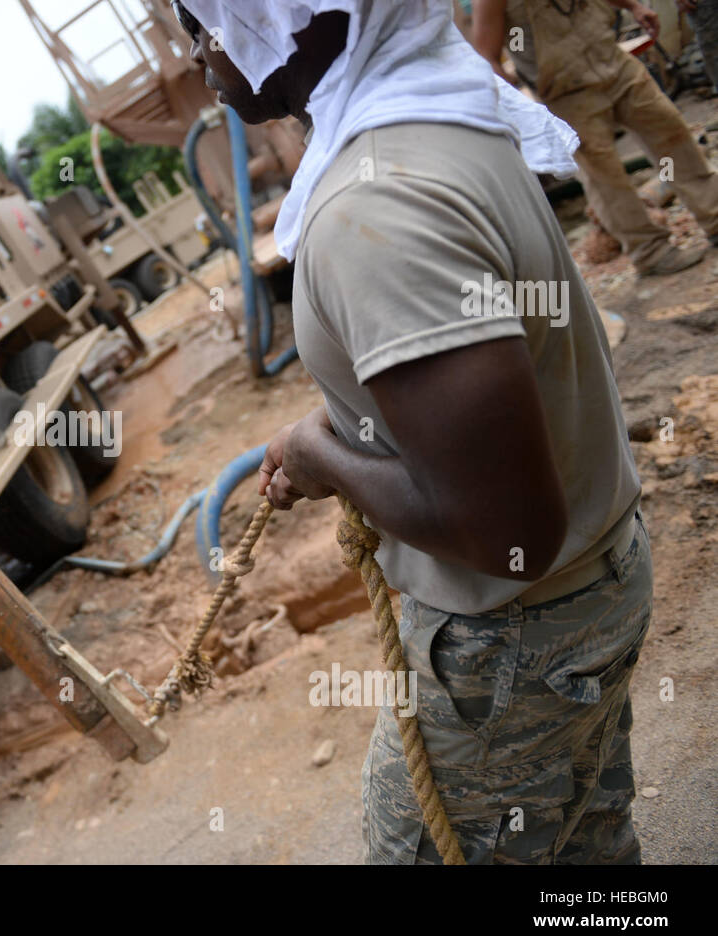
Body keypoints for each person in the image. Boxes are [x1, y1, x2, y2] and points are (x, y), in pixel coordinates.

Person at [174, 0, 651, 863]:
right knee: (586, 844)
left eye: (204, 14)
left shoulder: (374, 211)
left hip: (516, 642)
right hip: (594, 581)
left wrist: (325, 456)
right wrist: (341, 425)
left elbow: (510, 534)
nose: (196, 48)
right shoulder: (436, 111)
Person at [474, 0, 718, 275]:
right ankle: (651, 251)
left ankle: (714, 214)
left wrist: (634, 7)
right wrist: (515, 102)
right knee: (604, 176)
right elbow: (487, 54)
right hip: (565, 90)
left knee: (671, 132)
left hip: (611, 61)